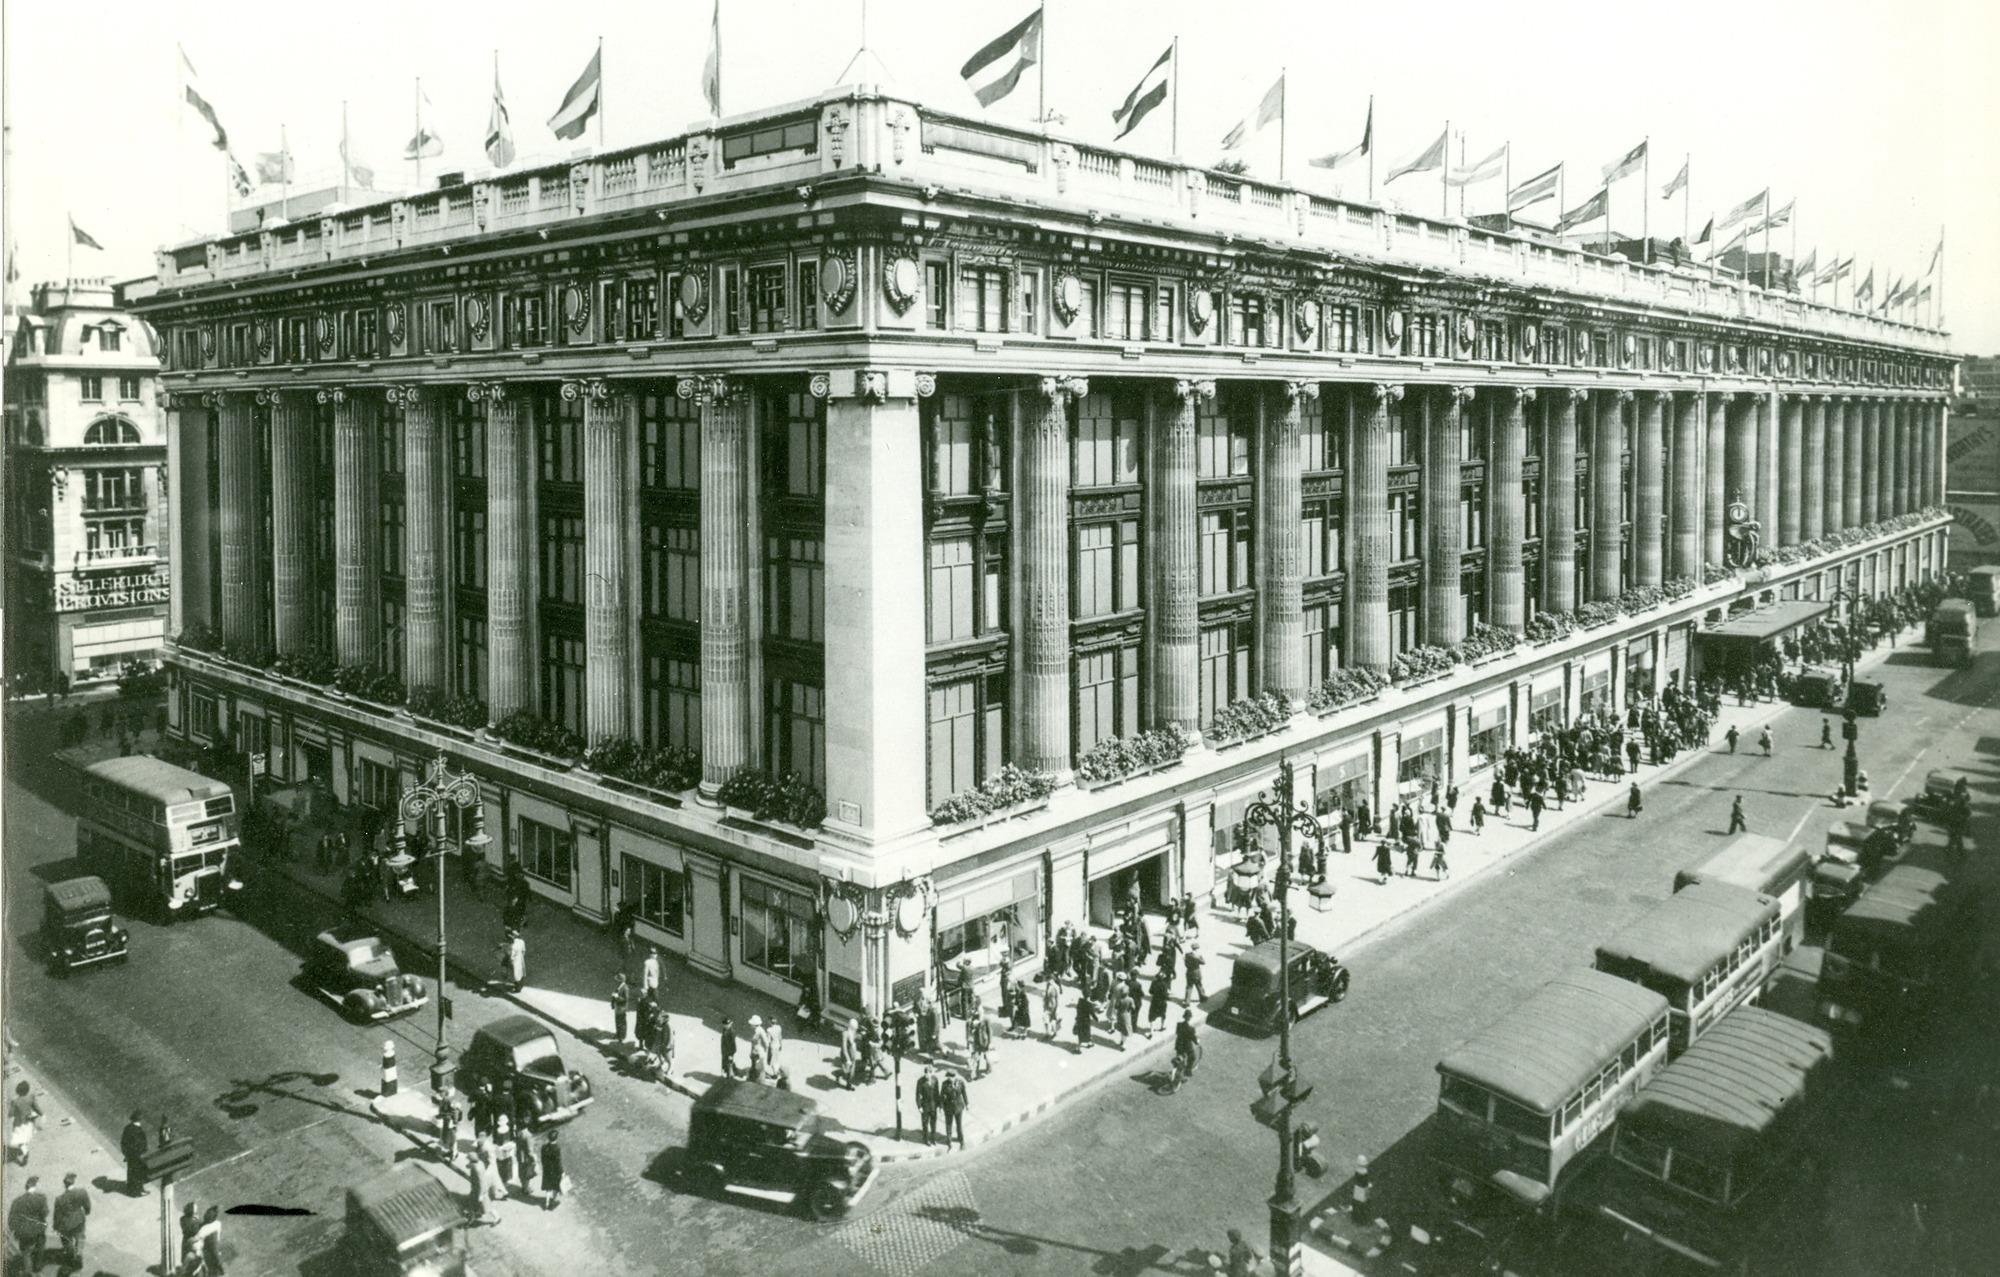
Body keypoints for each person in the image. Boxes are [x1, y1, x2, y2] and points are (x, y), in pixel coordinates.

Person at [8, 1176, 48, 1272]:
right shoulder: (41, 1198)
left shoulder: (17, 1201)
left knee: (26, 1253)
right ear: (35, 1186)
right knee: (40, 1248)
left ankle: (28, 1272)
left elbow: (12, 1218)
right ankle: (37, 1267)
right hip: (38, 1230)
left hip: (24, 1231)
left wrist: (16, 1230)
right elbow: (45, 1213)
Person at [52, 1172, 89, 1273]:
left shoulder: (59, 1199)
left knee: (67, 1241)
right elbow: (87, 1208)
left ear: (65, 1184)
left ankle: (71, 1257)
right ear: (74, 1182)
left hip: (66, 1224)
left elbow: (57, 1216)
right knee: (80, 1237)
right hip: (79, 1220)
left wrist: (55, 1227)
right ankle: (78, 1255)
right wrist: (85, 1212)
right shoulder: (82, 1192)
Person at [8, 1082, 41, 1167]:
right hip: (29, 1123)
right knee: (24, 1139)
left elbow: (11, 1114)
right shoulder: (31, 1097)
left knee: (20, 1141)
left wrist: (12, 1104)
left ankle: (25, 1153)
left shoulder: (15, 1101)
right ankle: (24, 1150)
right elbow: (36, 1108)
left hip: (19, 1124)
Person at [938, 1069, 969, 1149]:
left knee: (959, 1125)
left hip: (958, 1107)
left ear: (955, 1076)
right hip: (948, 1107)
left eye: (951, 1077)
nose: (950, 1079)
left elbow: (964, 1093)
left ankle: (961, 1140)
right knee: (949, 1125)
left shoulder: (960, 1083)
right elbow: (941, 1096)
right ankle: (949, 1141)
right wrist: (941, 1107)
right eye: (948, 1077)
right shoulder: (944, 1084)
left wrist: (967, 1104)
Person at [121, 1111, 149, 1197]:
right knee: (139, 1173)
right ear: (139, 1120)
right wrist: (143, 1151)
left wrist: (125, 1154)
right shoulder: (139, 1130)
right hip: (138, 1156)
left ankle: (131, 1190)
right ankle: (138, 1191)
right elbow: (142, 1144)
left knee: (131, 1172)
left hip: (130, 1155)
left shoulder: (127, 1128)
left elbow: (123, 1142)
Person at [539, 1131, 564, 1211]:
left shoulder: (544, 1147)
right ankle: (552, 1202)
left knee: (548, 1187)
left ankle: (546, 1203)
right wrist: (562, 1172)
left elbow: (542, 1159)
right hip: (555, 1170)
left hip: (547, 1169)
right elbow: (558, 1162)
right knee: (555, 1187)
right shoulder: (557, 1148)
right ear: (556, 1138)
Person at [197, 1204, 224, 1275]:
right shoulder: (212, 1230)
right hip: (210, 1257)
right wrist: (220, 1265)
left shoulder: (206, 1228)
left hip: (206, 1256)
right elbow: (214, 1249)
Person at [915, 1065, 939, 1144]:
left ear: (932, 1073)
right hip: (925, 1105)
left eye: (929, 1073)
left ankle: (933, 1138)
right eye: (926, 1073)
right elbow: (918, 1095)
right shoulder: (920, 1081)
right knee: (925, 1123)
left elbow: (937, 1093)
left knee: (933, 1123)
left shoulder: (935, 1080)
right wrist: (919, 1106)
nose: (927, 1075)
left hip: (933, 1105)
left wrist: (938, 1106)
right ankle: (926, 1139)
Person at [968, 1013, 993, 1078]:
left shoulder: (986, 1020)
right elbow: (970, 1032)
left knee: (987, 1056)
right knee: (975, 1057)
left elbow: (990, 1032)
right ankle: (975, 1072)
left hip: (985, 1042)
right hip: (976, 1042)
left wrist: (990, 1043)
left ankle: (989, 1068)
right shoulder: (972, 1020)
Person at [1041, 977, 1063, 1043]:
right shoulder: (1048, 985)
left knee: (1051, 1020)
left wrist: (1056, 1009)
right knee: (1047, 1020)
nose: (1048, 981)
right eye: (1047, 980)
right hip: (1047, 1006)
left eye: (1049, 980)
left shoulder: (1054, 987)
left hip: (1052, 1007)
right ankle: (1049, 1033)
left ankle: (1052, 1033)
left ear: (1052, 979)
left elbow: (1056, 999)